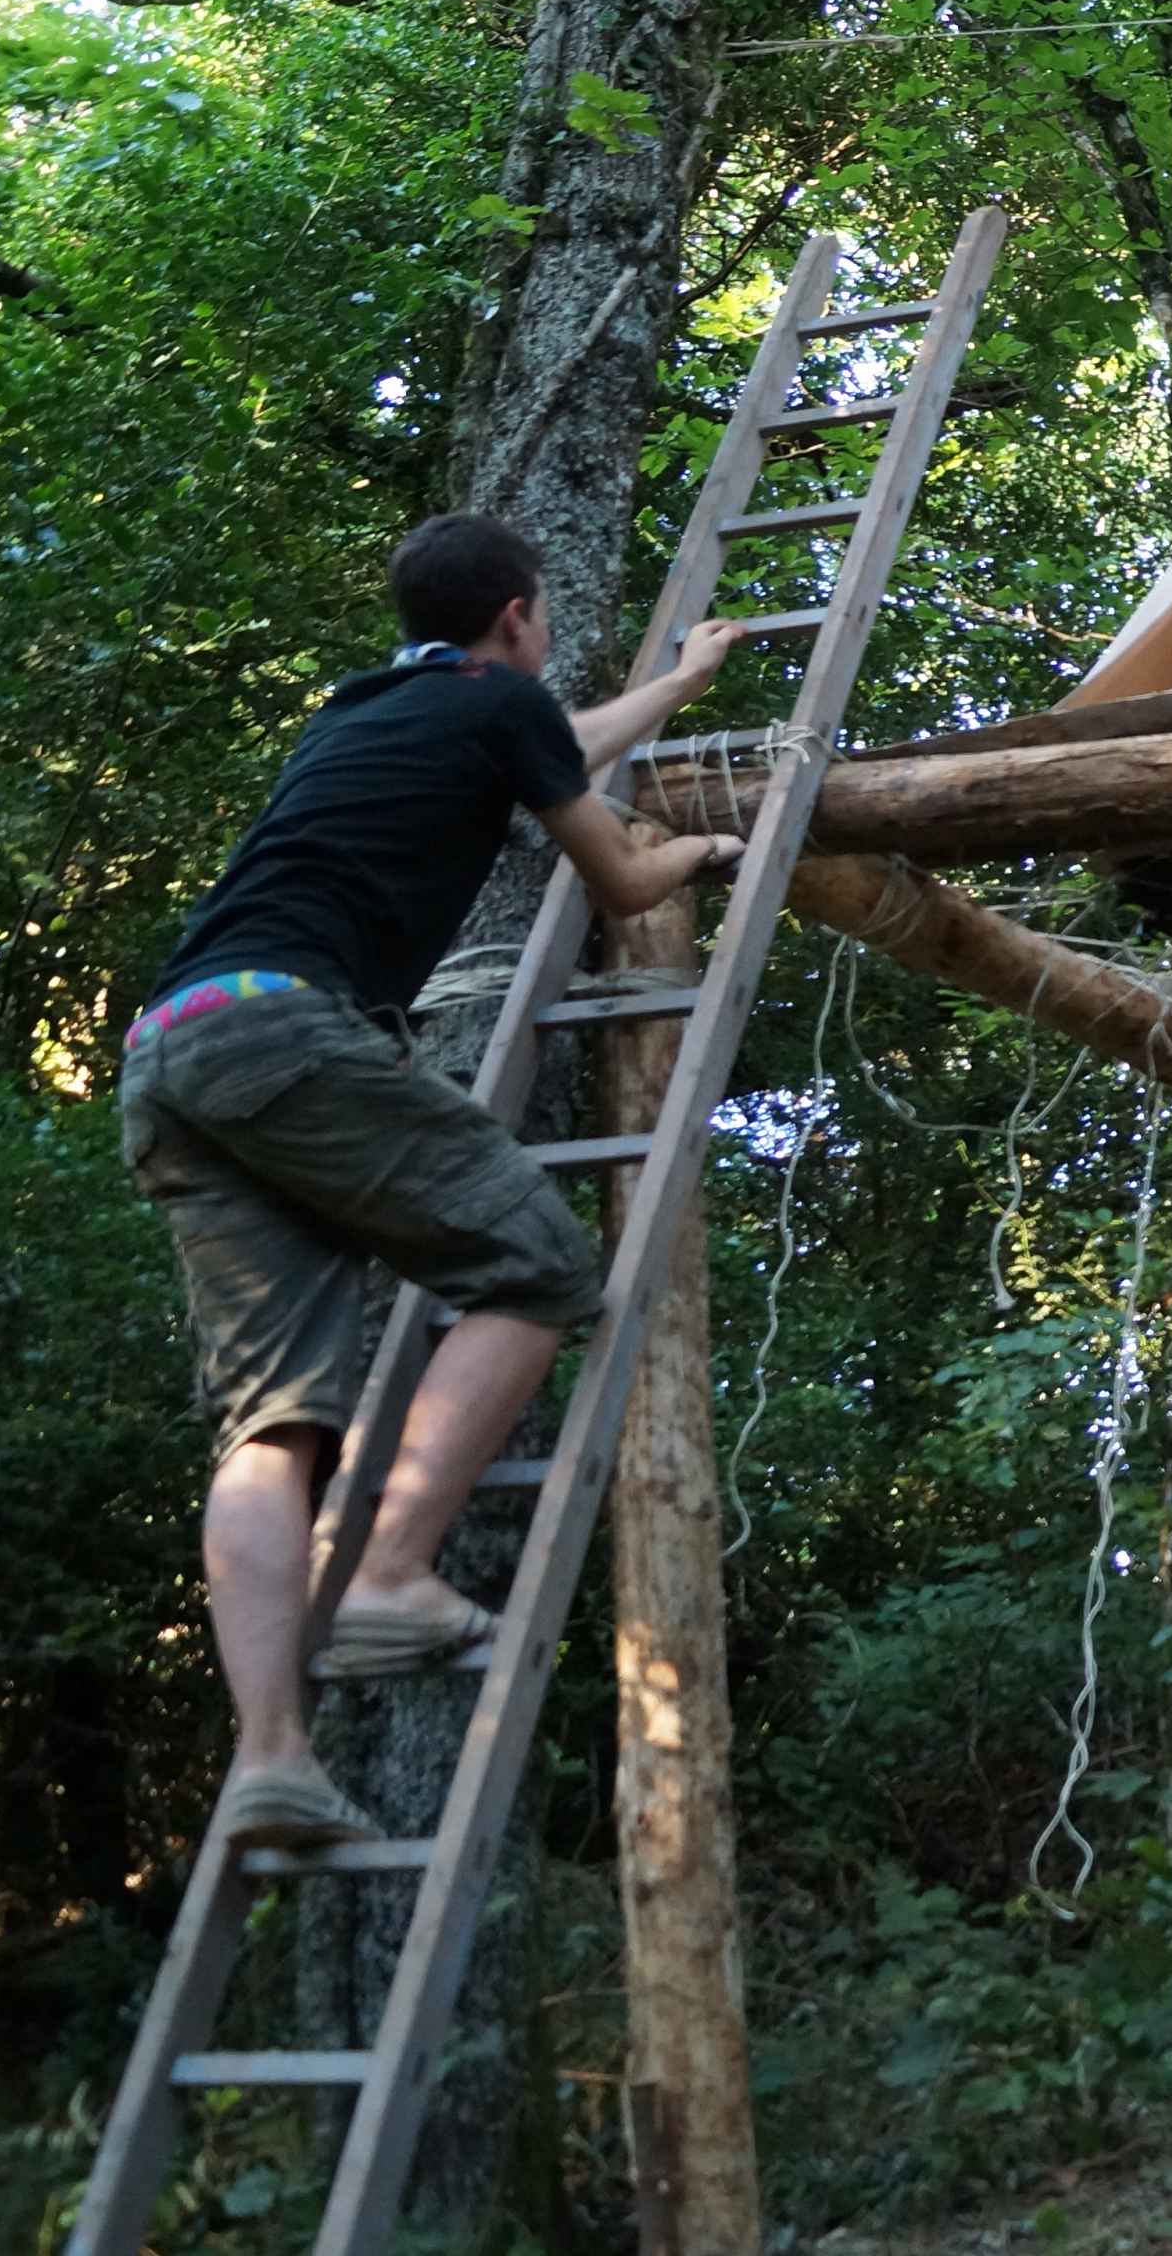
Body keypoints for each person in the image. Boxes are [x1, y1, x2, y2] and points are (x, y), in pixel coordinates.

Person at [122, 514, 752, 1849]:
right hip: (285, 1034)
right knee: (535, 1260)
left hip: (172, 1045)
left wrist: (682, 682)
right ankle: (391, 1570)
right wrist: (698, 853)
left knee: (272, 1421)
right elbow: (623, 871)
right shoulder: (499, 703)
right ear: (519, 617)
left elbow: (556, 746)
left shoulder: (369, 709)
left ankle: (270, 1760)